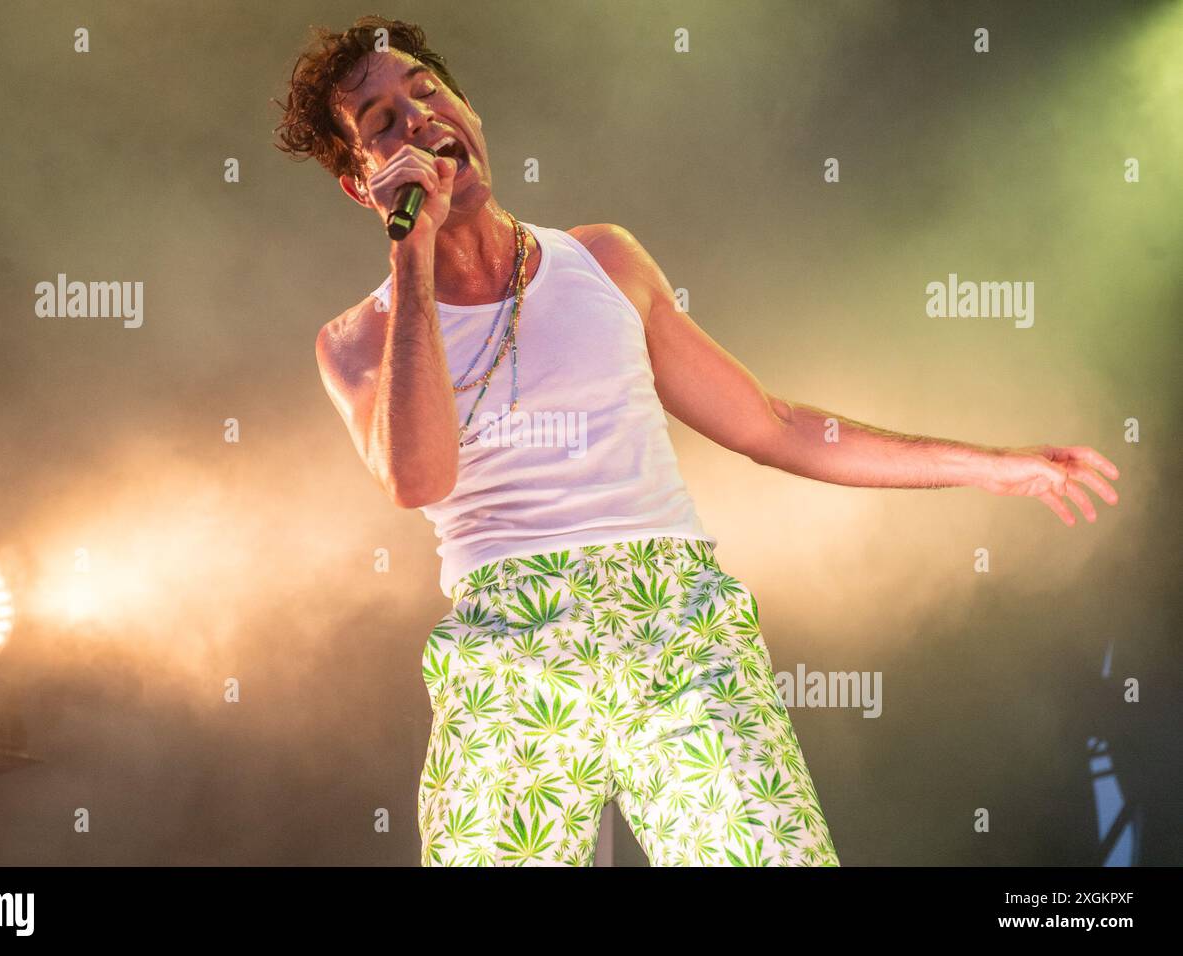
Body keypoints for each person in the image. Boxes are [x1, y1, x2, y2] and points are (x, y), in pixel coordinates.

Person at [274, 16, 1120, 866]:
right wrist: (412, 260)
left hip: (677, 628)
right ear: (364, 183)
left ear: (468, 110)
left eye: (426, 91)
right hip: (508, 655)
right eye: (383, 121)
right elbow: (418, 478)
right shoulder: (357, 340)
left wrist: (988, 467)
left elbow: (775, 426)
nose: (418, 119)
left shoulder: (602, 261)